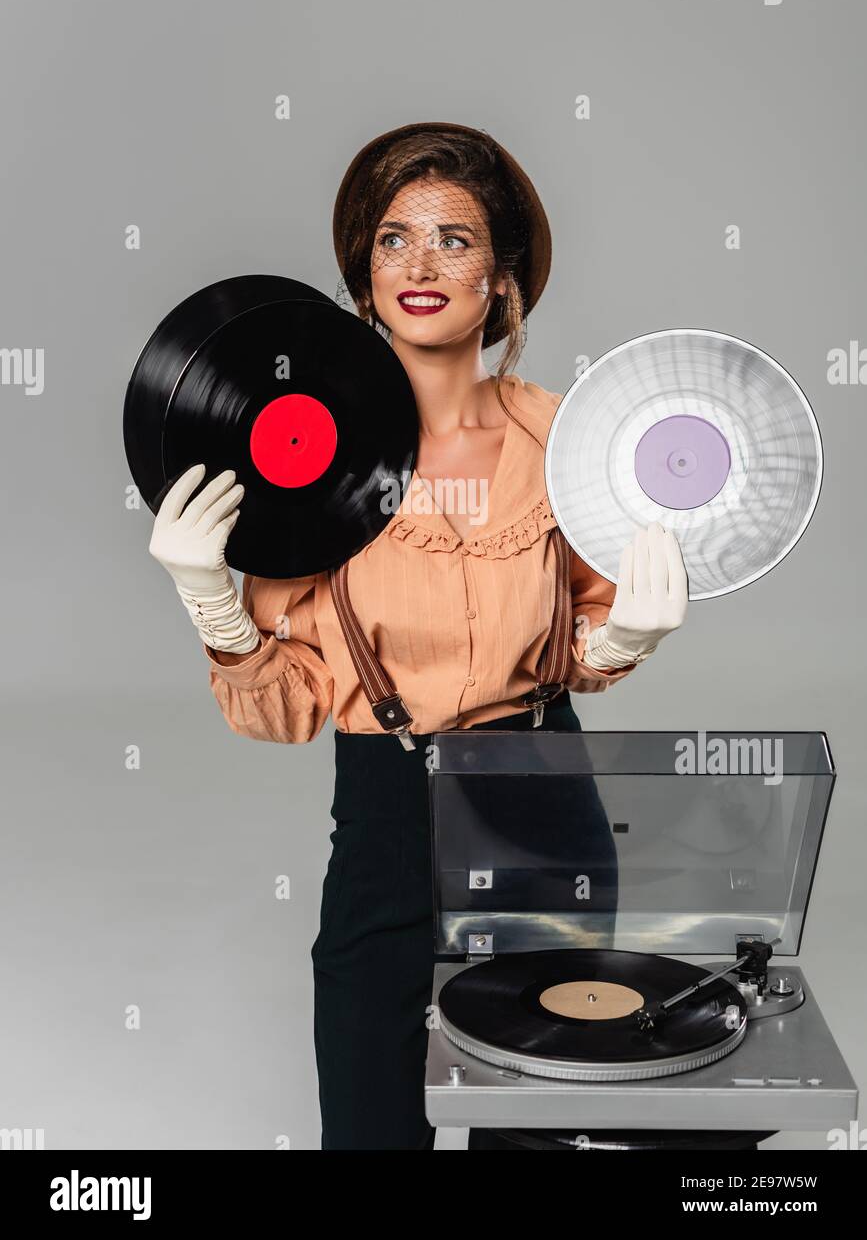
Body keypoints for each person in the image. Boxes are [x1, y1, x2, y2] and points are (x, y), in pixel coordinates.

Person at [146, 121, 688, 1149]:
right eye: (394, 238)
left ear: (504, 279)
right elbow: (291, 709)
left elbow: (577, 643)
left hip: (541, 779)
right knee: (367, 1101)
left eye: (454, 238)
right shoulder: (300, 447)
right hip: (388, 789)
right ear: (361, 275)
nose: (420, 264)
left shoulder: (562, 439)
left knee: (539, 1101)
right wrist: (212, 603)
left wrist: (626, 638)